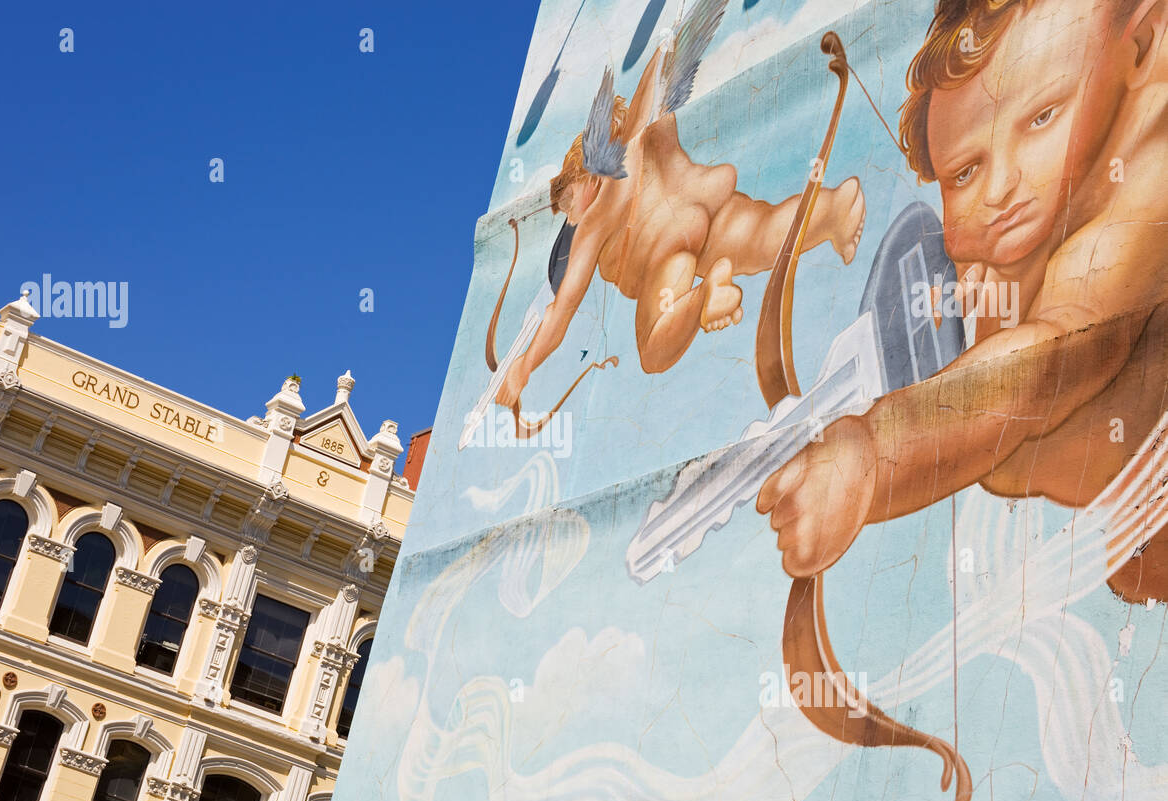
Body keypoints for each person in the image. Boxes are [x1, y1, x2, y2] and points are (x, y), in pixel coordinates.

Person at [756, 0, 1168, 603]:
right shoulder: (1069, 154)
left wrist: (878, 451)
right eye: (965, 173)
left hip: (1111, 428)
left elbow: (1056, 351)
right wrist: (977, 253)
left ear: (1142, 43)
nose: (1000, 188)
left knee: (1023, 439)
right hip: (1105, 460)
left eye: (1042, 117)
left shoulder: (1145, 177)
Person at [495, 20, 866, 412]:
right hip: (706, 203)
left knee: (654, 347)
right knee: (763, 232)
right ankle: (833, 210)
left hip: (668, 253)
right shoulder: (642, 132)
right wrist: (665, 44)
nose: (570, 220)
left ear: (585, 174)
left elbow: (563, 308)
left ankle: (703, 297)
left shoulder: (597, 216)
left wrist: (523, 367)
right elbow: (653, 81)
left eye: (569, 204)